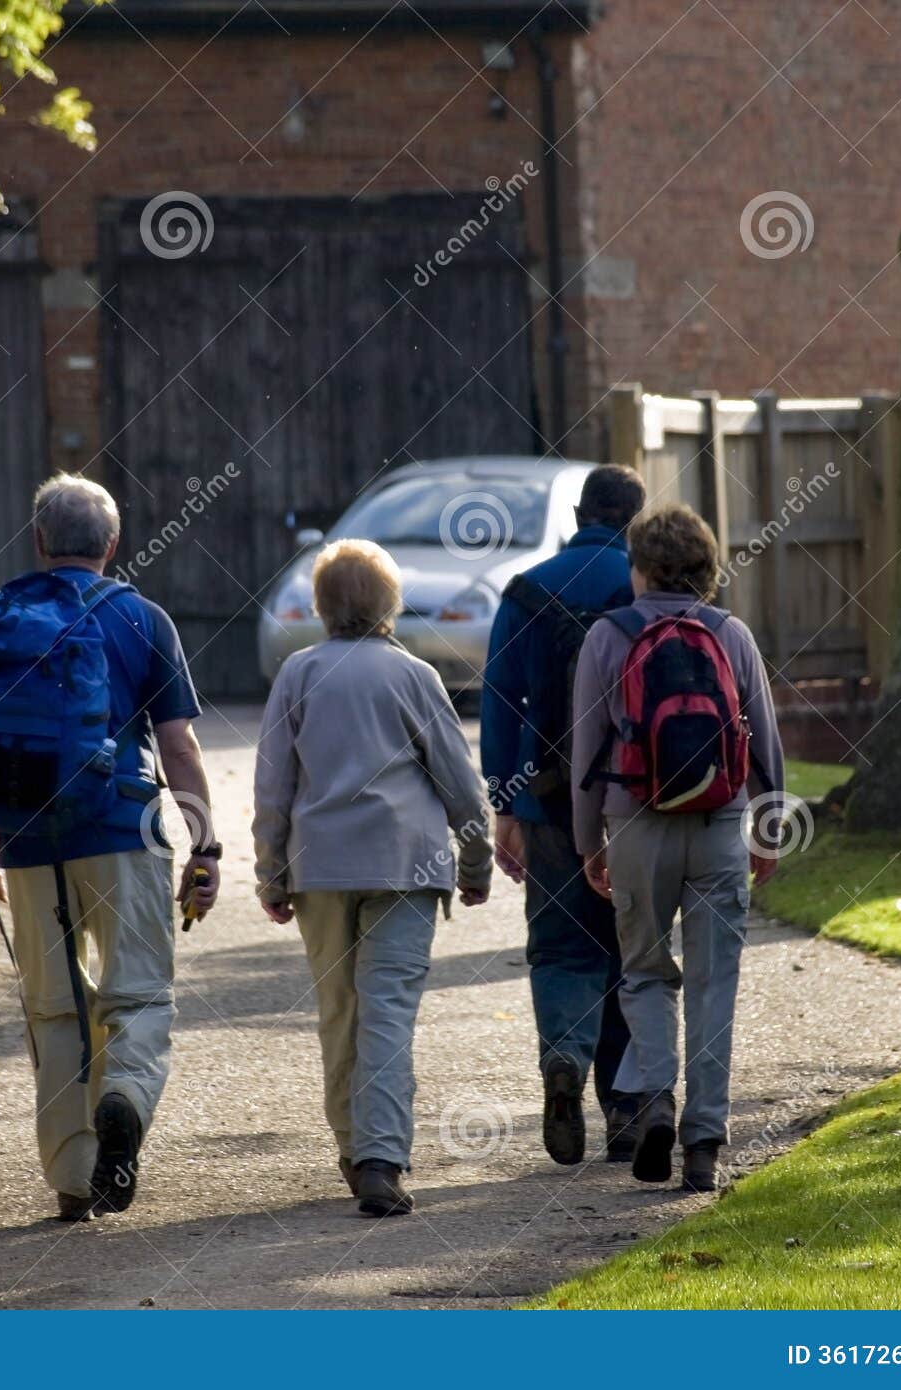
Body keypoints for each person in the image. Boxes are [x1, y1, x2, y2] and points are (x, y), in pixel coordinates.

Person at [0, 472, 220, 1223]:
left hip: (29, 839)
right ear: (113, 543)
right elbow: (181, 747)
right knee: (135, 993)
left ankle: (75, 1180)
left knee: (54, 1009)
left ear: (39, 542)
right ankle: (126, 1098)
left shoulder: (3, 619)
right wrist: (207, 847)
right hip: (123, 831)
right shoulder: (143, 619)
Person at [253, 539, 492, 1217]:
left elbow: (273, 786)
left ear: (323, 607)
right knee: (386, 1010)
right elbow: (460, 784)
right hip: (405, 867)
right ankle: (383, 1156)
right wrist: (474, 865)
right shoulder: (413, 676)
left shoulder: (297, 676)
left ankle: (355, 1151)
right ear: (391, 602)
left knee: (340, 1013)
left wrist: (271, 872)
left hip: (321, 869)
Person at [570, 502, 784, 1193]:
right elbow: (766, 742)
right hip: (719, 824)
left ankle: (655, 1097)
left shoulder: (607, 637)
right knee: (715, 983)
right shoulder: (731, 633)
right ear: (707, 568)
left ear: (639, 568)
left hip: (635, 823)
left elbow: (586, 750)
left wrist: (587, 842)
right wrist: (769, 829)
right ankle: (704, 1143)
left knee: (645, 973)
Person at [480, 464, 646, 1168]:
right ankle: (629, 1109)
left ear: (577, 513)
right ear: (634, 519)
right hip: (639, 803)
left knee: (560, 946)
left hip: (547, 798)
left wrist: (504, 803)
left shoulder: (524, 590)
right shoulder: (647, 591)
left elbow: (497, 701)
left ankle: (564, 1061)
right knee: (631, 952)